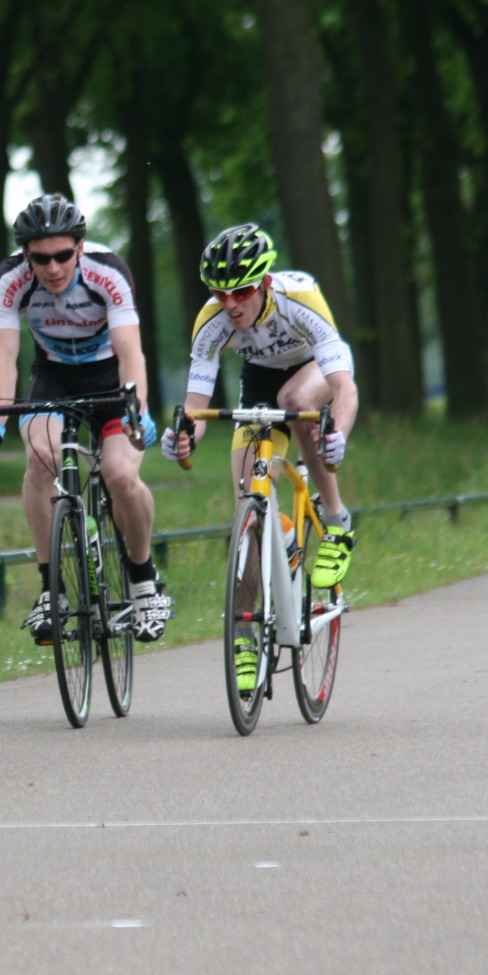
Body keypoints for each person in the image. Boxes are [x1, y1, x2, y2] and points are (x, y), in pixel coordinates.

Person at [161, 223, 359, 692]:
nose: (231, 305)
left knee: (296, 401)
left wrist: (341, 433)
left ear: (265, 282)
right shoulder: (211, 321)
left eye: (243, 291)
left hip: (315, 370)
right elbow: (197, 401)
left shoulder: (300, 297)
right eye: (220, 293)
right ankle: (246, 637)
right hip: (258, 381)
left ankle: (336, 520)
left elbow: (344, 385)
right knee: (247, 510)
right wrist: (184, 433)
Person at [0, 193, 173, 645]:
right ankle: (52, 590)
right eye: (41, 259)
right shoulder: (10, 280)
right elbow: (4, 357)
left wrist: (135, 406)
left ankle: (143, 581)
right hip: (54, 376)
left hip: (109, 376)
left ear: (80, 248)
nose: (54, 268)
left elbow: (130, 350)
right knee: (41, 455)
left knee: (121, 474)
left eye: (63, 255)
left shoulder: (109, 271)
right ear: (26, 256)